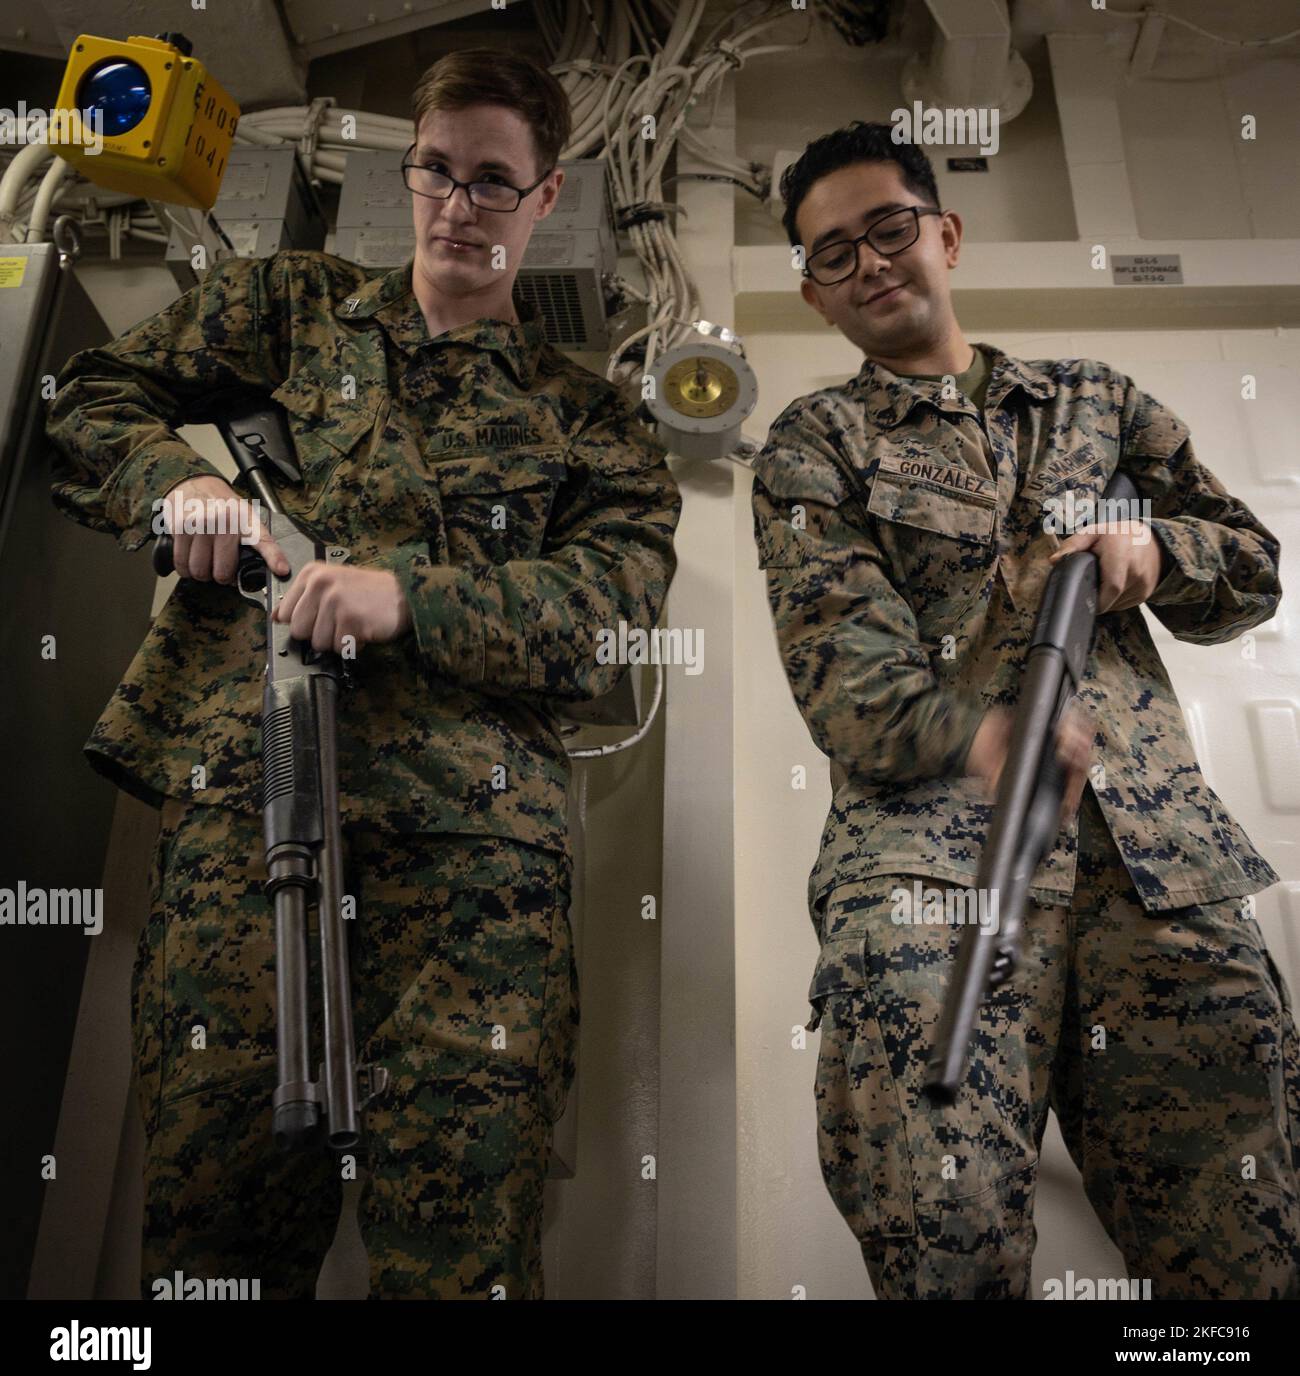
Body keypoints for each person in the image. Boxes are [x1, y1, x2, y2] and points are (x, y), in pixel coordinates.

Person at [45, 48, 681, 1300]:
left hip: (477, 870)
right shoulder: (289, 308)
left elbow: (603, 615)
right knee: (210, 1252)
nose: (456, 207)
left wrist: (411, 598)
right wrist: (175, 484)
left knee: (461, 1260)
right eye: (436, 171)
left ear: (546, 196)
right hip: (252, 819)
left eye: (493, 182)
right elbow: (85, 394)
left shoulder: (593, 419)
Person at [751, 120, 1297, 1299]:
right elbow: (843, 676)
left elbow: (1252, 567)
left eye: (887, 228)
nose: (868, 263)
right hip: (931, 881)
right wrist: (983, 736)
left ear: (943, 234)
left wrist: (1156, 550)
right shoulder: (815, 443)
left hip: (1160, 876)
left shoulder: (1096, 402)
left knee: (1244, 1248)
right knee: (948, 1247)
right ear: (811, 291)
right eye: (831, 252)